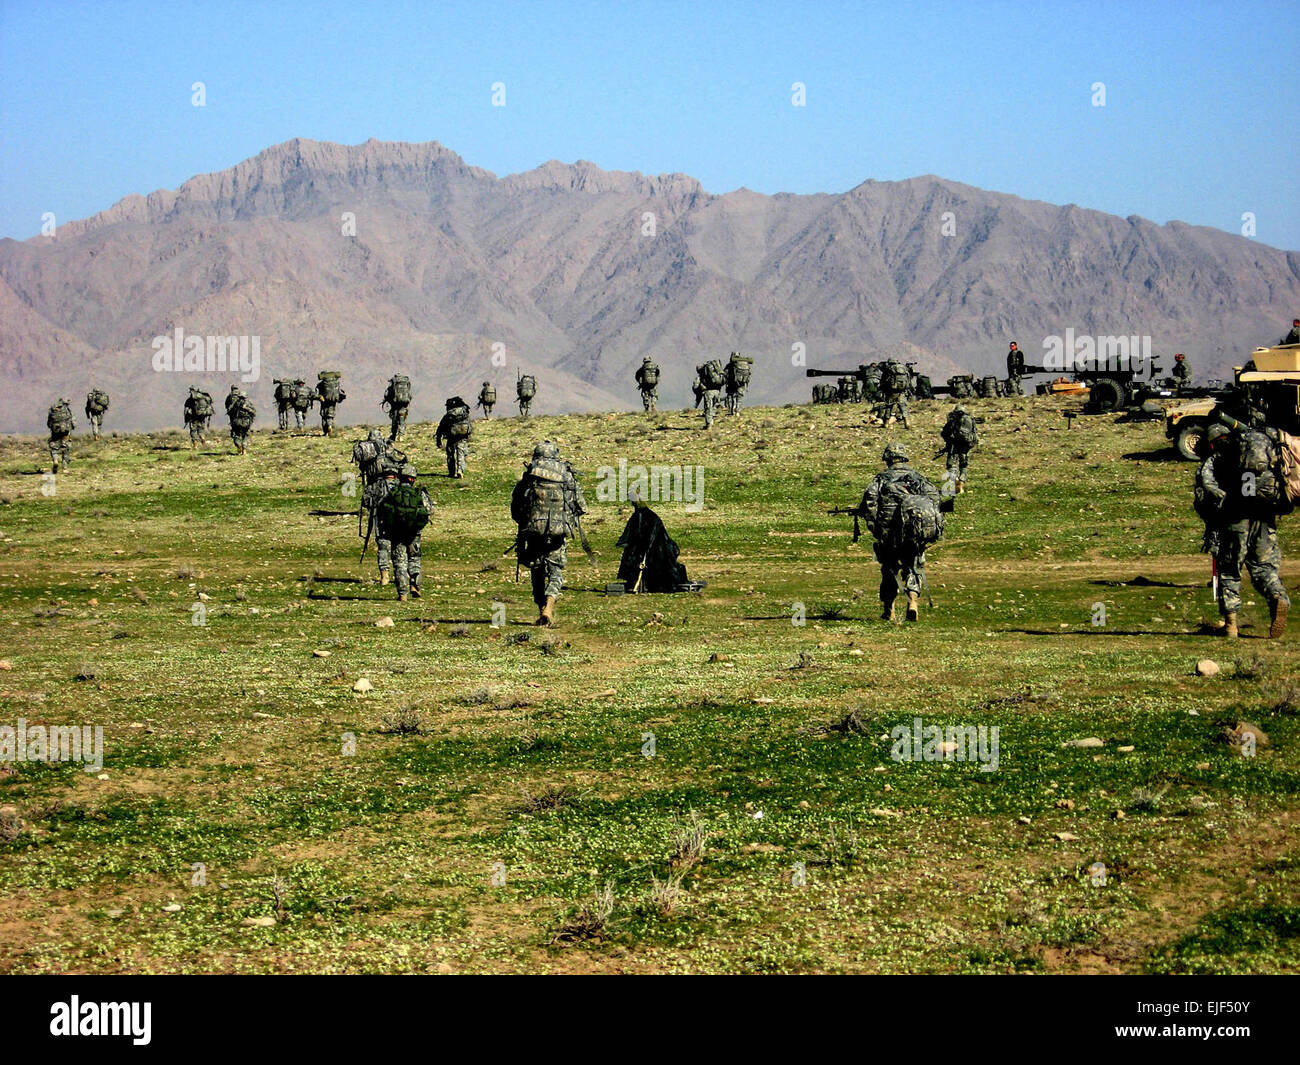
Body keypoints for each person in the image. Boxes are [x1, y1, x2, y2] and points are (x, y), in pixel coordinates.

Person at [1198, 416, 1291, 638]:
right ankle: (1277, 596)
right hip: (1264, 514)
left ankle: (1231, 625)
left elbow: (1205, 490)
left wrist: (1217, 512)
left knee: (1230, 570)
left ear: (1212, 442)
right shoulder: (1259, 456)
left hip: (1234, 519)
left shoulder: (1217, 460)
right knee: (1264, 567)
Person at [854, 442, 942, 622]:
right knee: (914, 566)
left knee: (889, 569)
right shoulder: (918, 478)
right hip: (913, 532)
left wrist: (875, 527)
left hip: (889, 534)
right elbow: (935, 500)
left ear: (887, 459)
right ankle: (913, 603)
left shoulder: (881, 479)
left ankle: (890, 610)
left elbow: (870, 503)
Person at [511, 440, 588, 626]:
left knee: (537, 570)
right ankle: (549, 606)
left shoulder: (530, 476)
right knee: (555, 570)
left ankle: (541, 608)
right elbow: (581, 506)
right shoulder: (566, 476)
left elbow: (516, 507)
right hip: (558, 532)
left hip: (533, 531)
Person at [374, 464, 433, 602]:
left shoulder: (393, 493)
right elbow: (429, 510)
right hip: (414, 533)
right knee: (414, 559)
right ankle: (415, 585)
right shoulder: (419, 493)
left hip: (396, 534)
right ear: (413, 478)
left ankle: (402, 595)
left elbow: (382, 509)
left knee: (400, 563)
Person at [615, 493, 689, 592]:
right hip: (642, 547)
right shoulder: (637, 516)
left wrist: (646, 548)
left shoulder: (651, 517)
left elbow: (652, 535)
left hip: (657, 547)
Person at [941, 404, 978, 494]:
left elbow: (944, 433)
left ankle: (955, 481)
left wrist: (949, 441)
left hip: (954, 445)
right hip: (965, 446)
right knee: (963, 465)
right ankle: (961, 483)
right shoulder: (969, 419)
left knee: (951, 464)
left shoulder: (953, 419)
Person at [435, 396, 473, 478]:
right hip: (462, 436)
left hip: (451, 436)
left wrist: (438, 439)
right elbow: (469, 425)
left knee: (450, 454)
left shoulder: (449, 415)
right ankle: (460, 470)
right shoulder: (464, 412)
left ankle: (452, 472)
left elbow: (441, 427)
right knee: (461, 453)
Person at [878, 358, 910, 429]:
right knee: (903, 406)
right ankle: (907, 423)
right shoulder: (904, 369)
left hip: (891, 391)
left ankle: (886, 423)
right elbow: (908, 380)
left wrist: (883, 389)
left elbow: (883, 381)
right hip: (902, 391)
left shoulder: (888, 370)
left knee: (889, 406)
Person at [47, 398, 74, 473]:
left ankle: (55, 459)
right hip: (65, 431)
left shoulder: (53, 410)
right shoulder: (67, 410)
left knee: (54, 447)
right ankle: (64, 468)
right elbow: (73, 422)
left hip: (55, 431)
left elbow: (49, 423)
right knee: (66, 448)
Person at [696, 359, 725, 429]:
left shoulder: (704, 374)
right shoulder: (715, 371)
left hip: (709, 391)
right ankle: (712, 422)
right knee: (714, 406)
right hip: (717, 391)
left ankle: (709, 425)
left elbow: (699, 385)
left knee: (708, 408)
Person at [383, 374, 412, 440]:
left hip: (395, 405)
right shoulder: (406, 386)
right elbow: (410, 396)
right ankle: (401, 435)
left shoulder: (393, 386)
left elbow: (387, 395)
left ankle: (394, 435)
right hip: (404, 405)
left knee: (395, 420)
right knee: (402, 419)